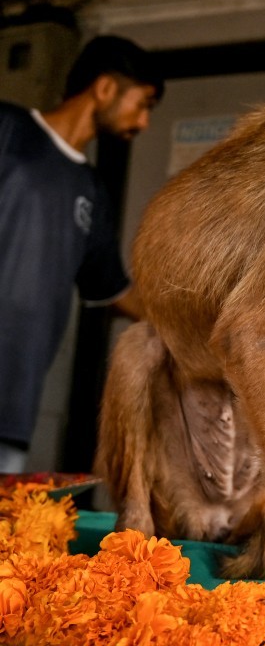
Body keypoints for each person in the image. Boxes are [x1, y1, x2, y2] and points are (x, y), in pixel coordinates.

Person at [0, 35, 162, 473]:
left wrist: (191, 324)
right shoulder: (8, 129)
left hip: (14, 405)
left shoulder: (91, 190)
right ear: (106, 88)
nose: (143, 122)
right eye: (142, 103)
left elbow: (112, 289)